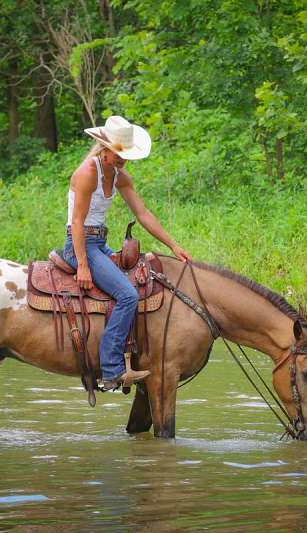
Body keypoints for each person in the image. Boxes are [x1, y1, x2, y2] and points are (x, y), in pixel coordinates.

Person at [62, 115, 191, 390]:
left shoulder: (120, 176)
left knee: (147, 276)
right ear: (104, 148)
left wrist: (173, 245)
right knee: (127, 294)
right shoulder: (87, 173)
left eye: (126, 154)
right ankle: (111, 369)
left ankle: (139, 354)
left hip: (98, 242)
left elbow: (143, 214)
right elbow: (77, 222)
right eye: (119, 153)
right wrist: (83, 265)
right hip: (80, 244)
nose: (123, 159)